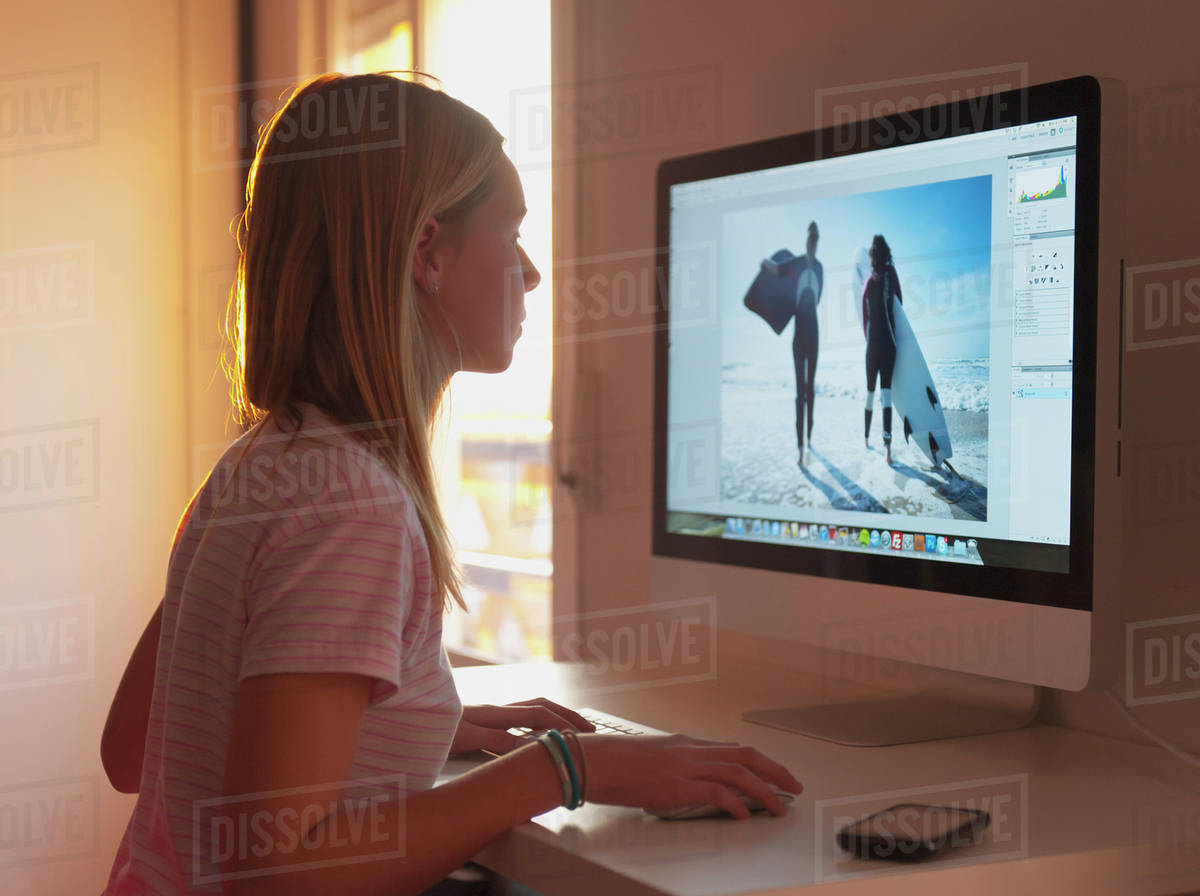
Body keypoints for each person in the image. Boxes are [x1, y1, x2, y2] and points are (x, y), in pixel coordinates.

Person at [98, 73, 802, 896]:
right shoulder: (350, 506)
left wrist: (413, 722)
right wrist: (562, 768)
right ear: (428, 253)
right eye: (511, 235)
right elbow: (276, 872)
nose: (531, 273)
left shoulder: (263, 461)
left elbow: (132, 747)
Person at [760, 221, 822, 466]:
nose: (812, 242)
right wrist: (765, 263)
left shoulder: (820, 268)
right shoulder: (795, 263)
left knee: (811, 388)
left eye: (816, 239)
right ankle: (799, 446)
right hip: (798, 336)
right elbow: (776, 270)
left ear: (818, 242)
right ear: (806, 240)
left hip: (814, 333)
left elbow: (818, 298)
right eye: (810, 238)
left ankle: (809, 435)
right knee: (799, 392)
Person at [861, 234, 903, 465]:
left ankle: (866, 439)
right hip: (890, 343)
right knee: (886, 395)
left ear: (871, 257)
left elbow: (864, 316)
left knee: (870, 393)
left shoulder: (868, 282)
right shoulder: (892, 274)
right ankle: (888, 449)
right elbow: (901, 304)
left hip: (873, 345)